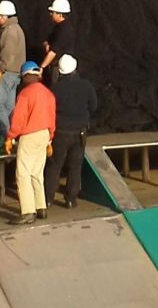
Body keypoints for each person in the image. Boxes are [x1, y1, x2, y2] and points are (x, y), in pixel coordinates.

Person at [4, 61, 56, 225]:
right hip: (44, 135)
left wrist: (10, 137)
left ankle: (27, 212)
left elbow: (18, 119)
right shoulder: (48, 94)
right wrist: (50, 139)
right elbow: (52, 118)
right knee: (37, 172)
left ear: (26, 76)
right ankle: (41, 208)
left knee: (23, 174)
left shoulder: (25, 94)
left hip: (29, 136)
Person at [44, 54, 97, 209]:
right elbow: (93, 105)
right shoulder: (86, 85)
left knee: (54, 165)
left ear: (59, 71)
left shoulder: (55, 88)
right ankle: (71, 199)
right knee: (75, 166)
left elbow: (49, 110)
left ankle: (48, 199)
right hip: (79, 132)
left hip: (60, 132)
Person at [0, 0, 26, 137]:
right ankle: (12, 137)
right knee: (9, 108)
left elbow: (7, 53)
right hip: (14, 75)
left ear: (4, 16)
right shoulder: (16, 29)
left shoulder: (9, 31)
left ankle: (5, 139)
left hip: (5, 73)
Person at [39, 0, 75, 86]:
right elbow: (47, 42)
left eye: (53, 12)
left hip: (59, 68)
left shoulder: (64, 30)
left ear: (60, 14)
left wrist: (42, 66)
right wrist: (47, 44)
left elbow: (53, 52)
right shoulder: (59, 27)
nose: (50, 14)